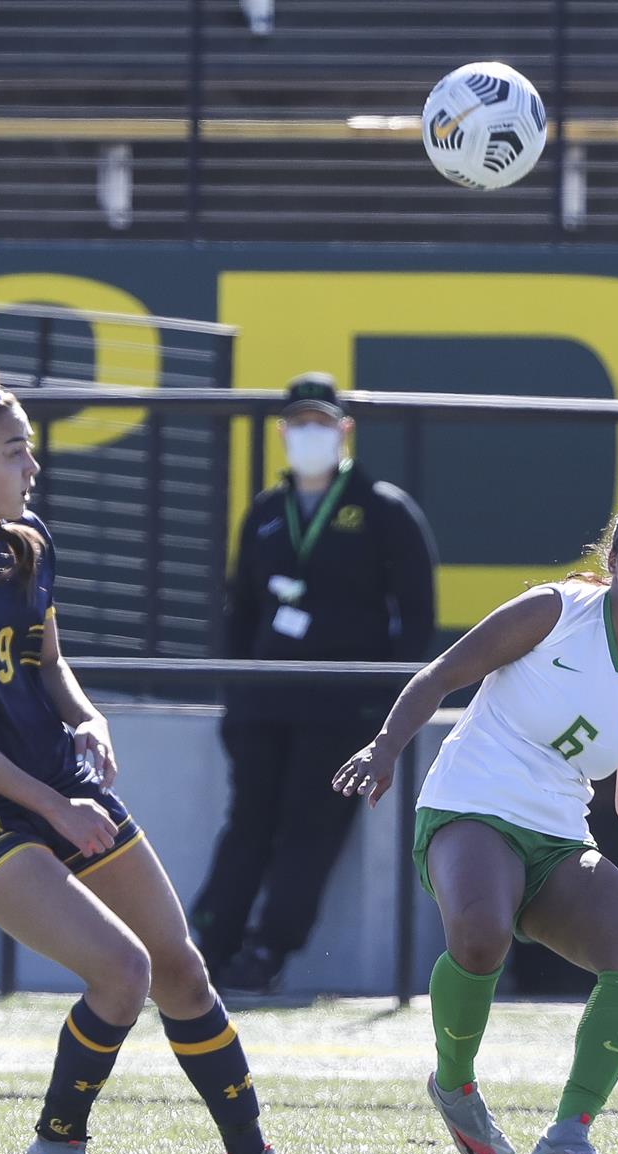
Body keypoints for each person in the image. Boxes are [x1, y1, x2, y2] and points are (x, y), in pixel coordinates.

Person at [0, 362, 351, 1154]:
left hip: (59, 780)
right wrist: (54, 805)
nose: (32, 466)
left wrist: (87, 718)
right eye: (15, 452)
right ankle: (57, 1148)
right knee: (122, 971)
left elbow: (49, 664)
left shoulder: (24, 538)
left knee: (183, 971)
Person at [332, 496, 618, 1154]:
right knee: (480, 935)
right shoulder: (557, 609)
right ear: (613, 558)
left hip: (555, 836)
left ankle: (569, 1135)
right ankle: (455, 1084)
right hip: (471, 806)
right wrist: (386, 746)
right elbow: (441, 673)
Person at [190, 371, 437, 993]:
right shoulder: (267, 512)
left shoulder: (384, 510)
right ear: (281, 432)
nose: (309, 434)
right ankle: (207, 943)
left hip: (341, 704)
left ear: (344, 430)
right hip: (264, 701)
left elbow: (416, 615)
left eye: (321, 423)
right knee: (248, 819)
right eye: (298, 423)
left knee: (311, 822)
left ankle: (269, 949)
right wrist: (235, 693)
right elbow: (238, 608)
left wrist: (390, 710)